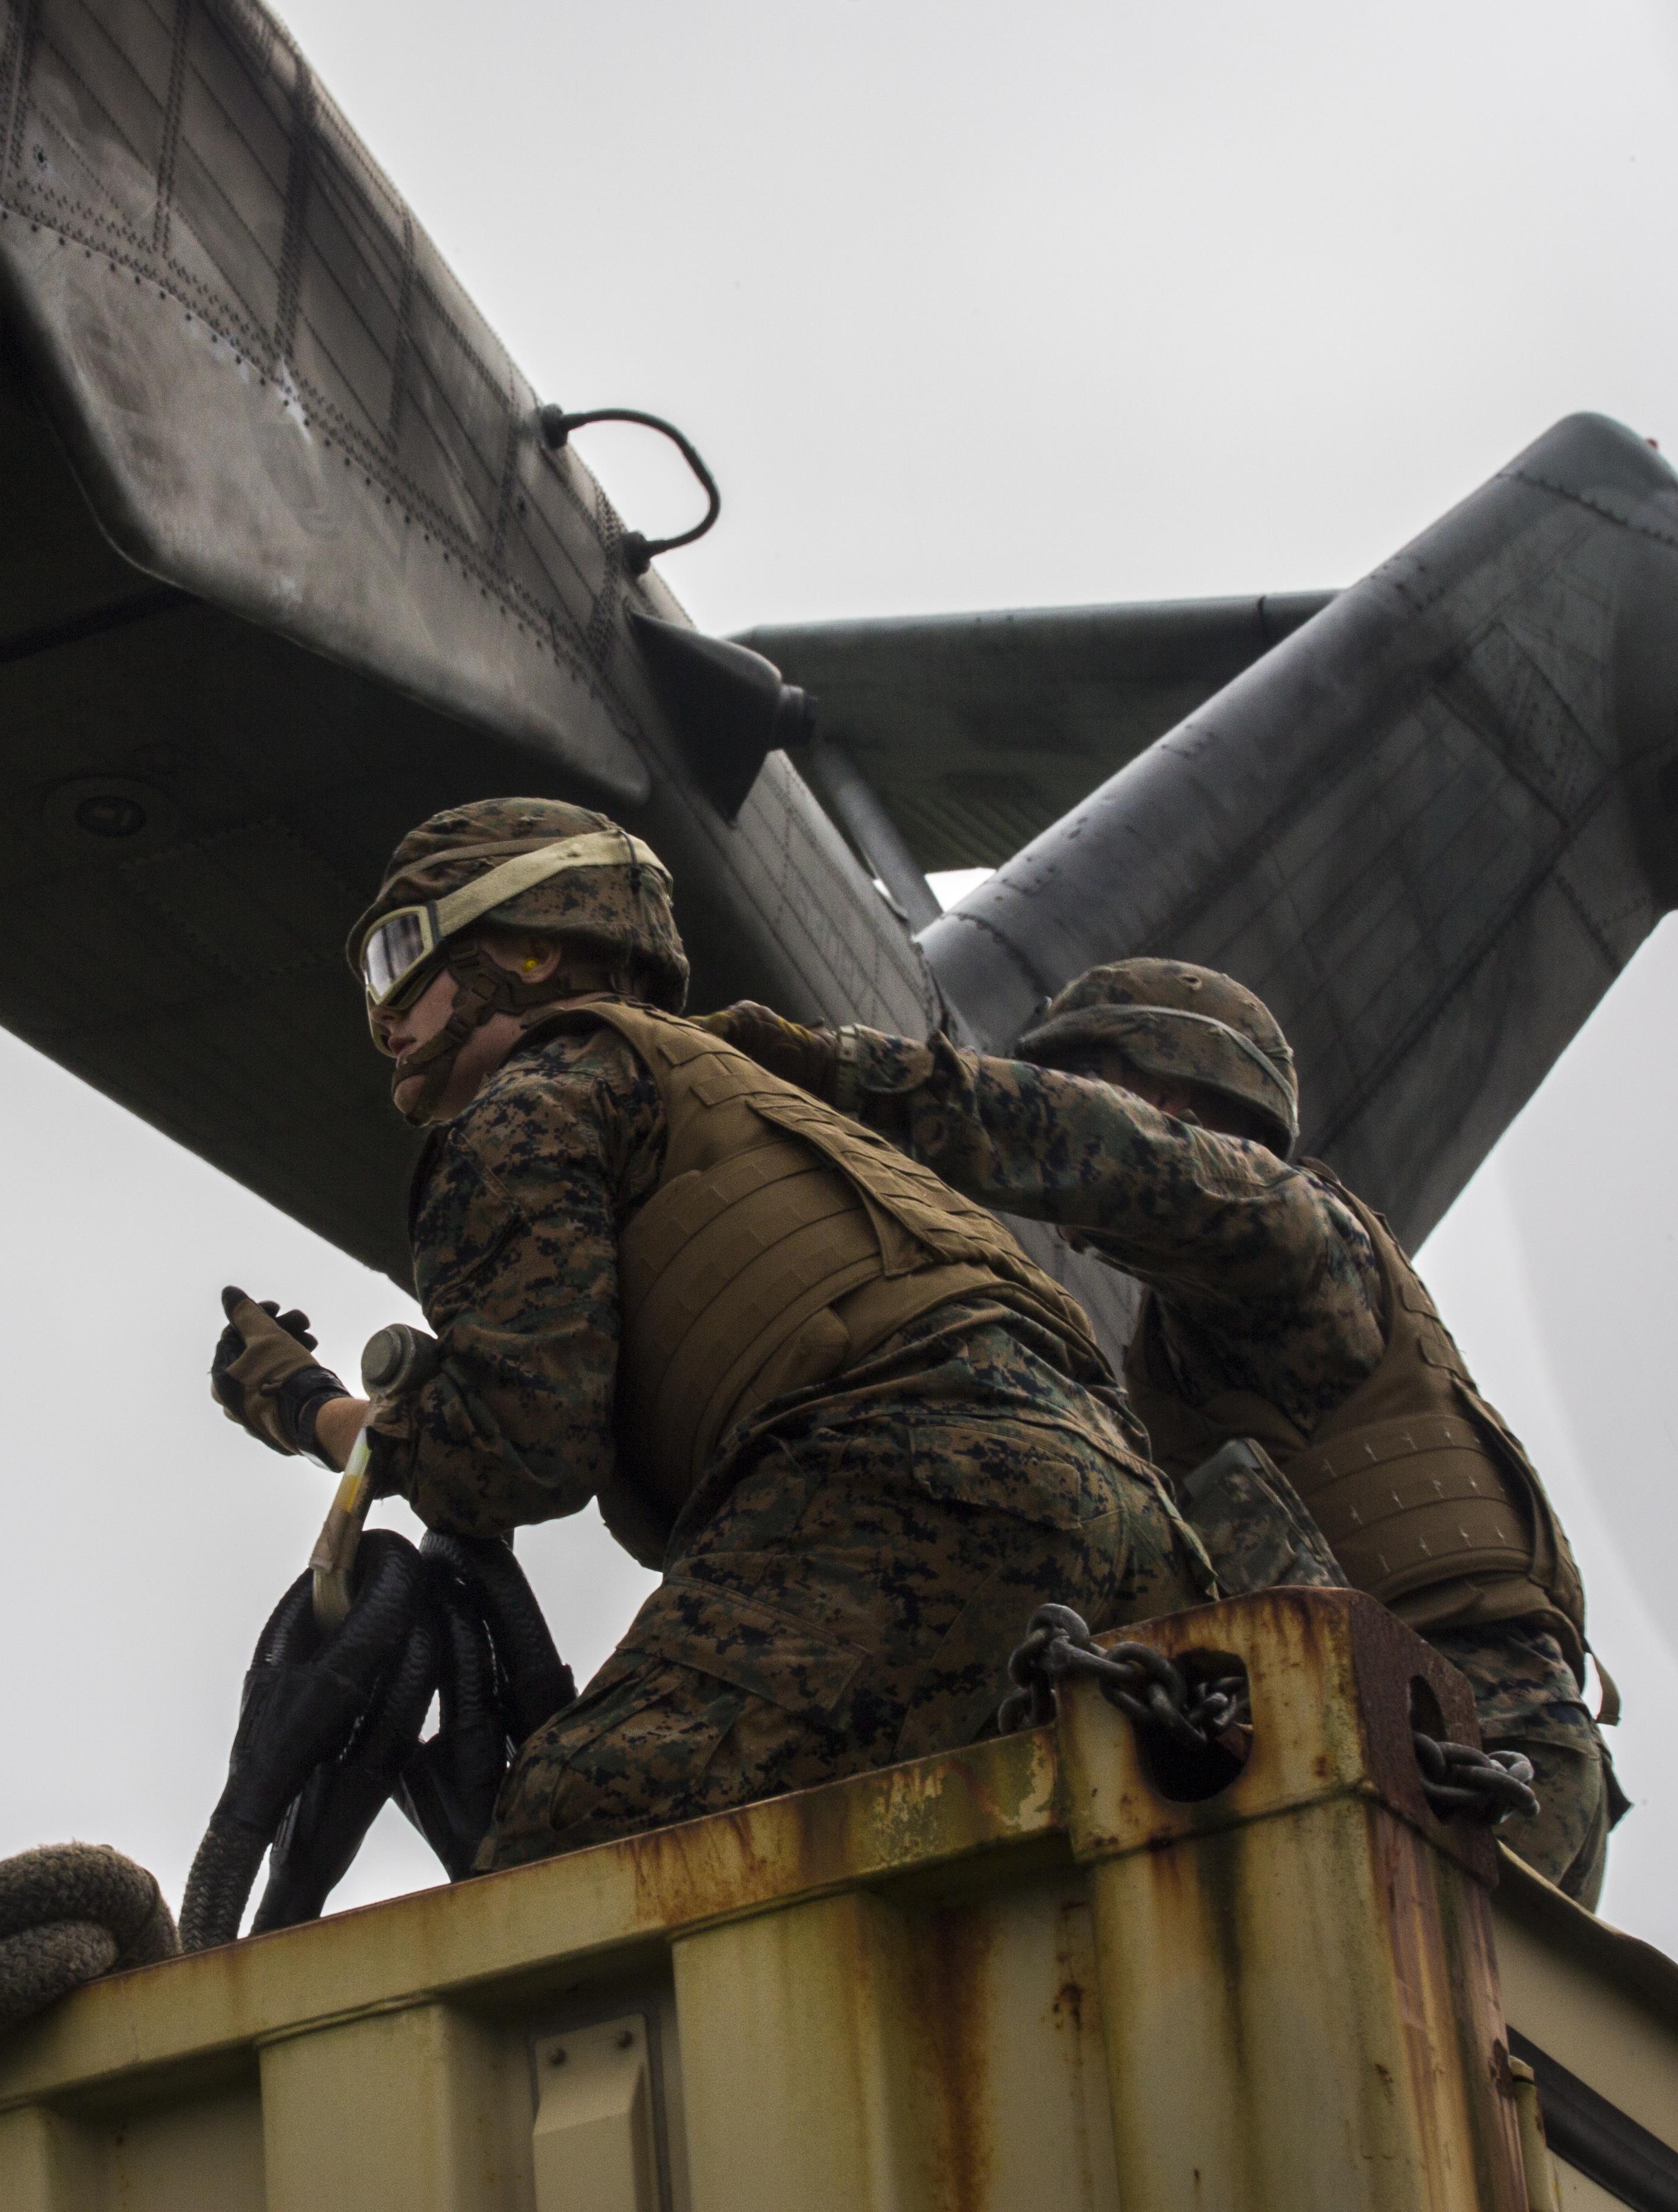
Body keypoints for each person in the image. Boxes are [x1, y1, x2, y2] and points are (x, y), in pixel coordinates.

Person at [206, 800, 1209, 1871]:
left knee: (564, 1861)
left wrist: (306, 1407)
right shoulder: (770, 1108)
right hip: (1139, 1530)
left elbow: (514, 1452)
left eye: (402, 956)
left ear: (532, 949)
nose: (383, 1017)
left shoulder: (532, 1105)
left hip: (904, 1495)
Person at [702, 961, 1624, 1904]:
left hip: (1472, 1738)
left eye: (1088, 1077)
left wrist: (839, 1072)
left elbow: (1121, 1152)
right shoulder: (1180, 1348)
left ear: (1177, 1092)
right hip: (1382, 1730)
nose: (1063, 1098)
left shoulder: (1293, 1237)